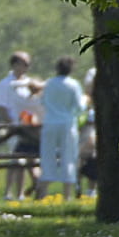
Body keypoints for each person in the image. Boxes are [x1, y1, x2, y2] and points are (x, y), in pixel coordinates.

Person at [38, 56, 89, 200]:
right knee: (69, 156)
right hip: (67, 123)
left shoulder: (48, 84)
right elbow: (79, 107)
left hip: (50, 122)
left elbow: (42, 101)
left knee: (47, 156)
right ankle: (67, 195)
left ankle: (43, 194)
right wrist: (85, 101)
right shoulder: (73, 85)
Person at [0, 51, 35, 201]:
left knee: (27, 159)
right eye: (24, 63)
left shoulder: (28, 83)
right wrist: (11, 124)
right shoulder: (5, 84)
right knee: (15, 159)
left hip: (28, 126)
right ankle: (8, 193)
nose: (27, 67)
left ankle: (21, 193)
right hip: (14, 127)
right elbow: (2, 106)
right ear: (15, 64)